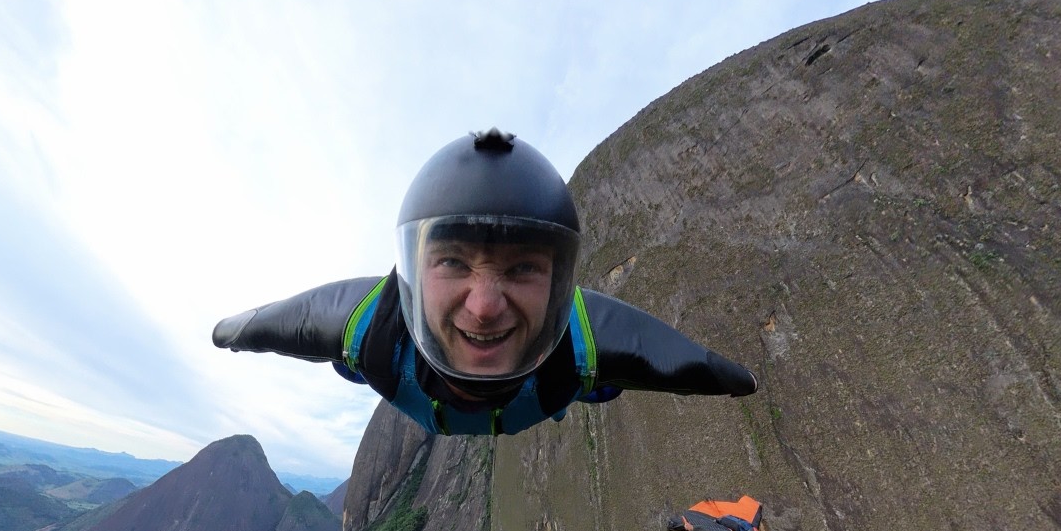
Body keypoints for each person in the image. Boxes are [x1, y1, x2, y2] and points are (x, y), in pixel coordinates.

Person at [213, 128, 758, 436]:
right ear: (414, 272)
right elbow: (267, 327)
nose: (484, 306)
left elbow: (696, 369)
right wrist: (236, 331)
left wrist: (235, 332)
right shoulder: (370, 335)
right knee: (591, 381)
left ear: (559, 281)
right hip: (506, 383)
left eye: (523, 267)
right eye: (452, 262)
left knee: (594, 382)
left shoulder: (578, 349)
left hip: (546, 381)